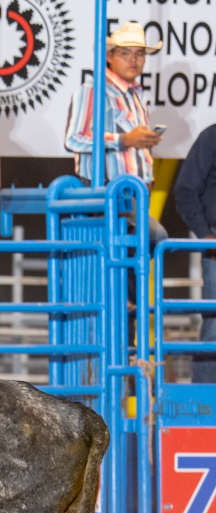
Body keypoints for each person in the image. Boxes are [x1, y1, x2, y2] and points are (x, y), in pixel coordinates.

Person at [63, 21, 168, 246]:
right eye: (125, 53)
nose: (134, 59)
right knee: (155, 238)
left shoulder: (136, 95)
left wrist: (142, 146)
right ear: (109, 56)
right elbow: (73, 138)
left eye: (139, 54)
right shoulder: (93, 90)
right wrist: (125, 139)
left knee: (139, 254)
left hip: (132, 197)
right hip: (107, 195)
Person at [175, 124, 216, 383]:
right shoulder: (212, 137)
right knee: (214, 327)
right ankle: (206, 407)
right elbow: (185, 190)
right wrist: (206, 236)